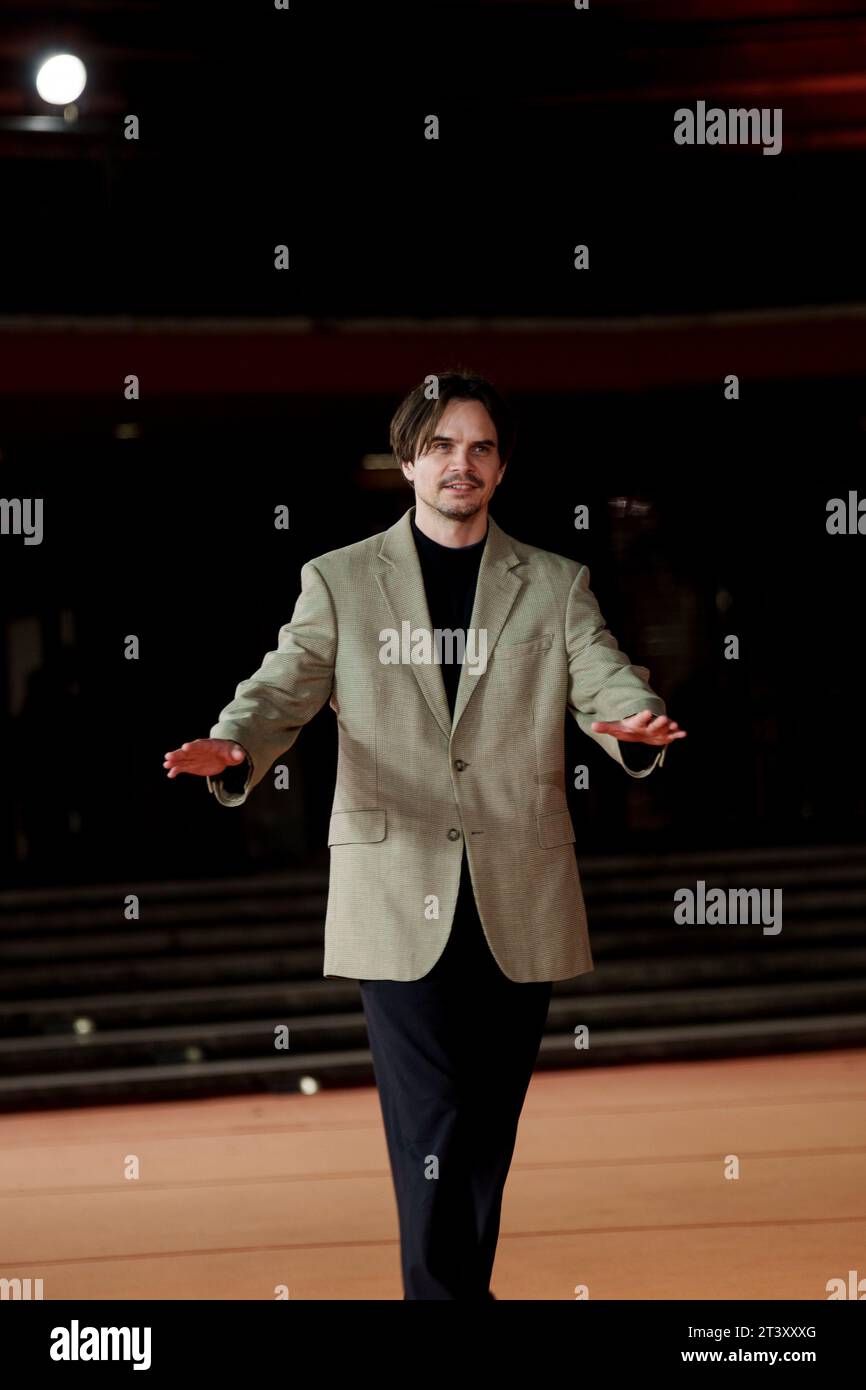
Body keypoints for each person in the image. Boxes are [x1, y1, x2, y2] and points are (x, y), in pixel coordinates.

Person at [164, 369, 686, 1300]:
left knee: (486, 1125)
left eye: (481, 447)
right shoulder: (339, 580)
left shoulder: (554, 582)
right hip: (396, 884)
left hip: (516, 888)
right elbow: (284, 684)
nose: (461, 463)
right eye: (441, 445)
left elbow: (604, 672)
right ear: (408, 459)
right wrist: (236, 743)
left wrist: (632, 721)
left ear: (502, 467)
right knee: (432, 1118)